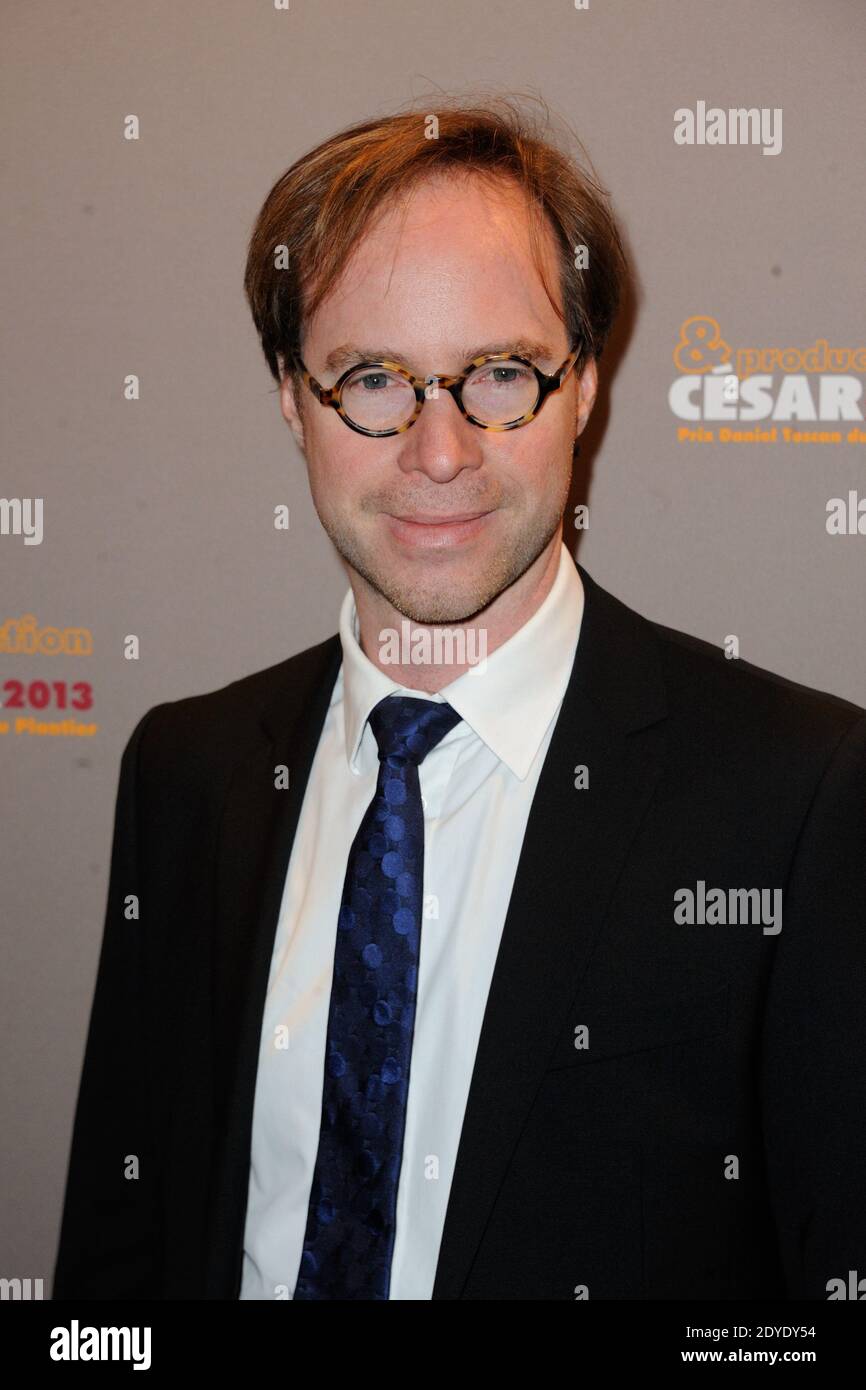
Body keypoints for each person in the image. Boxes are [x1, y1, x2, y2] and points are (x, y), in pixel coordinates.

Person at [53, 98, 866, 1301]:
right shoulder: (188, 772)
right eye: (373, 378)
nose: (439, 451)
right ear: (290, 396)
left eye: (496, 373)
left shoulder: (799, 793)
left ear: (583, 384)